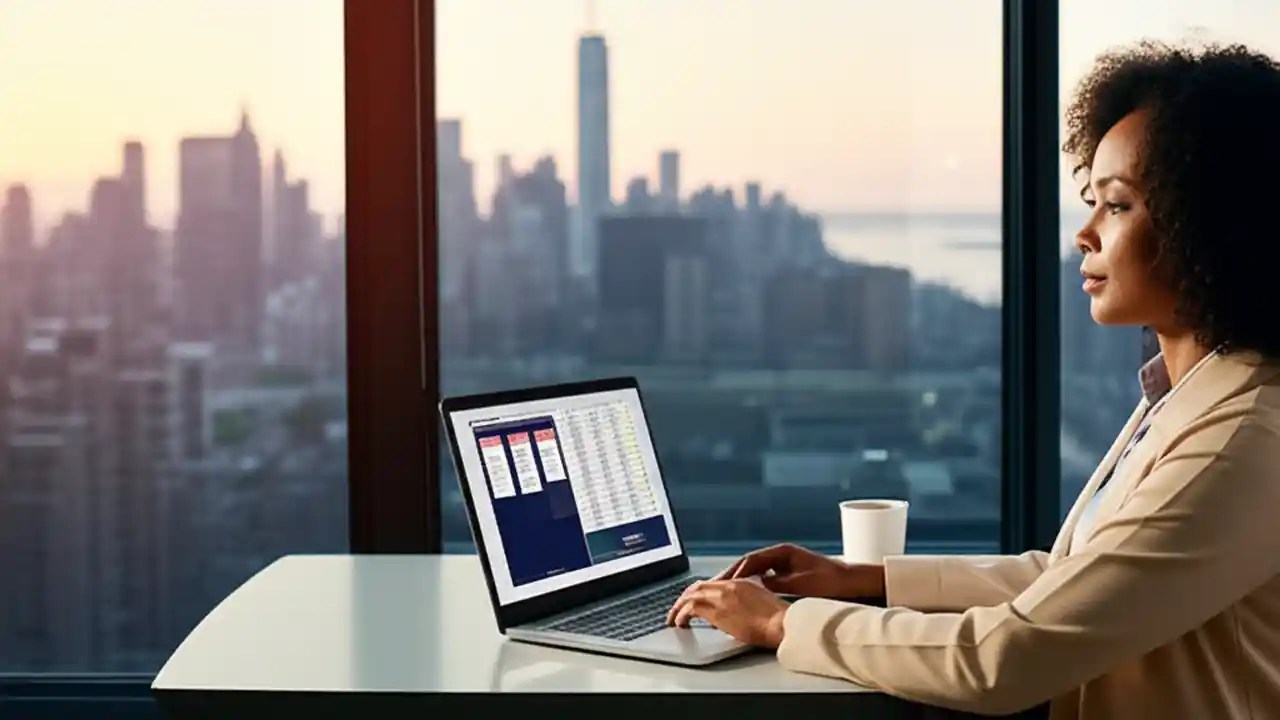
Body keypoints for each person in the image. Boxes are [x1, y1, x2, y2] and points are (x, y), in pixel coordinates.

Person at [667, 40, 1280, 718]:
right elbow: (1080, 582)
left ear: (1211, 225)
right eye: (1092, 203)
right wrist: (866, 581)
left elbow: (1006, 658)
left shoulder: (1242, 439)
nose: (1084, 234)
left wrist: (785, 625)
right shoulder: (1192, 394)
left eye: (1118, 205)